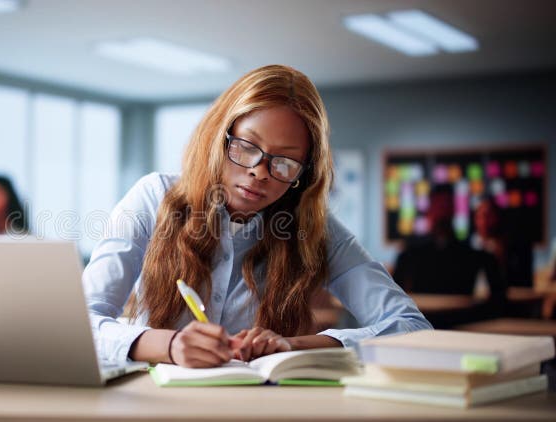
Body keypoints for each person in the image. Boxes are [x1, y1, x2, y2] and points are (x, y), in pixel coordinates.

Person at [82, 65, 431, 368]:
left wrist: (294, 347)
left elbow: (410, 327)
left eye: (284, 162)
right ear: (219, 137)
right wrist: (168, 345)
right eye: (247, 147)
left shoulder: (314, 230)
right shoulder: (153, 198)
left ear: (303, 175)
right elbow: (79, 323)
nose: (259, 172)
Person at [393, 187, 506, 327]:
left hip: (460, 326)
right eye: (438, 207)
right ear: (429, 211)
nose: (442, 213)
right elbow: (394, 299)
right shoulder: (409, 254)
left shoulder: (474, 255)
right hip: (420, 325)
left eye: (446, 207)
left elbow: (498, 300)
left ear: (453, 211)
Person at [472, 196, 533, 287]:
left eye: (487, 216)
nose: (483, 222)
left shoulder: (514, 248)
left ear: (497, 217)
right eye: (478, 217)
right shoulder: (468, 247)